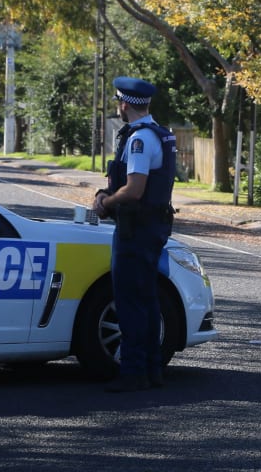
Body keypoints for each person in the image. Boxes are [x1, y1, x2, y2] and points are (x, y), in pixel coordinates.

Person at [93, 76, 177, 393]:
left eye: (119, 101)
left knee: (129, 301)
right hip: (151, 226)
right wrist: (108, 192)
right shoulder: (157, 134)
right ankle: (152, 369)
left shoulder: (139, 139)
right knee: (147, 299)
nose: (118, 106)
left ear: (125, 104)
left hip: (136, 229)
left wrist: (105, 203)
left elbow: (134, 189)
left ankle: (133, 372)